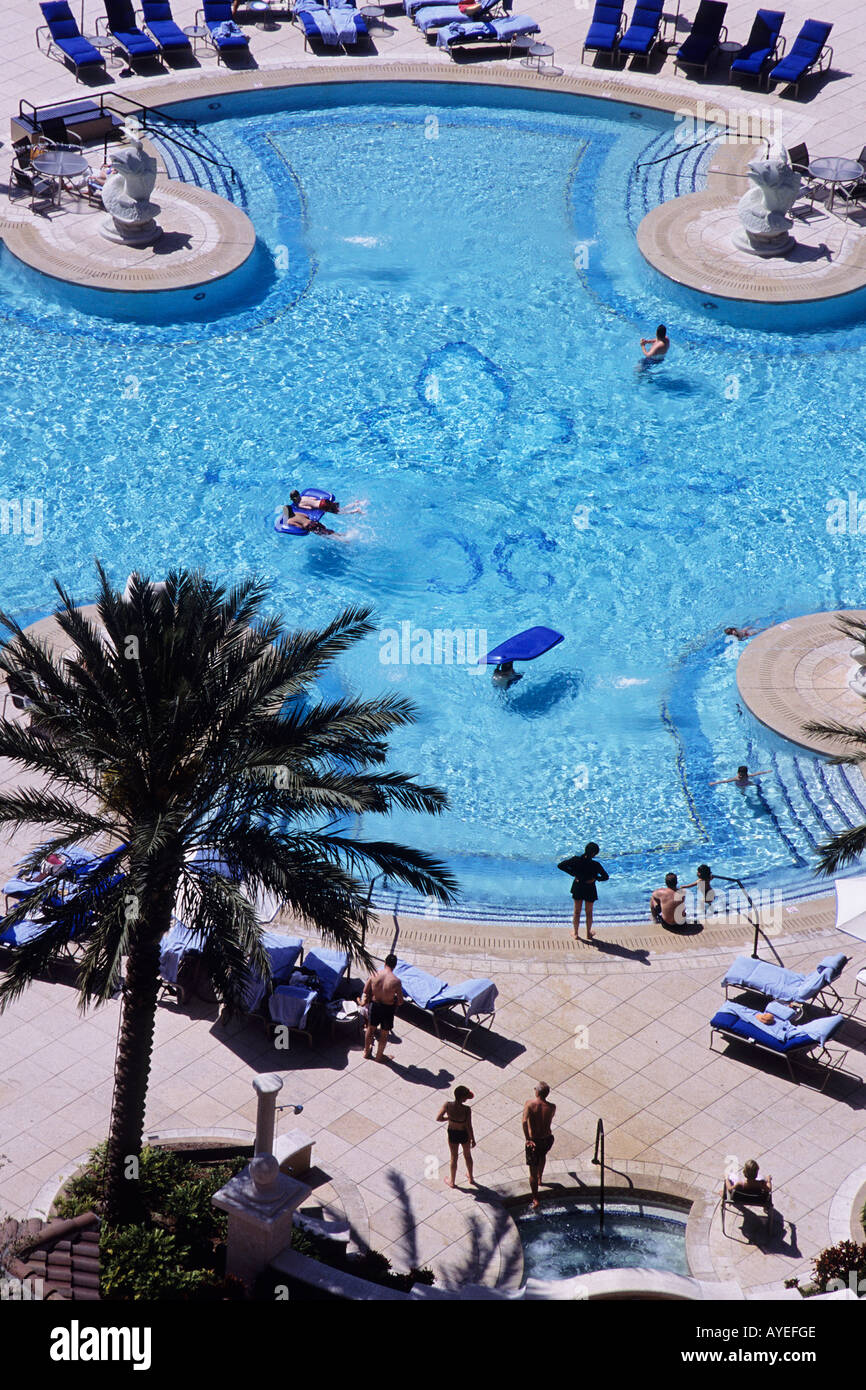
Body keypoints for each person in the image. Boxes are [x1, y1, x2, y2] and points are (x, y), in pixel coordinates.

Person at [557, 842, 608, 941]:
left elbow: (560, 865)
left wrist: (573, 873)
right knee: (589, 912)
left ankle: (575, 933)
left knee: (577, 912)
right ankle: (588, 934)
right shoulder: (595, 865)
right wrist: (596, 878)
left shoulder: (575, 860)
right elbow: (605, 877)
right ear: (594, 854)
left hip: (578, 886)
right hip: (590, 888)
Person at [361, 953, 404, 1062]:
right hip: (387, 1009)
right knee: (384, 1033)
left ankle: (366, 1052)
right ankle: (379, 1056)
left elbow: (365, 991)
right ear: (395, 966)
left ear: (385, 963)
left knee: (370, 1029)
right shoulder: (396, 981)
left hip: (375, 1005)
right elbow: (400, 1001)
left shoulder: (374, 974)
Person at [436, 1085, 476, 1188]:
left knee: (454, 1157)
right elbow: (469, 1126)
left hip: (452, 1133)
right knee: (467, 1156)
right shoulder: (466, 1110)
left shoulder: (448, 1105)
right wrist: (473, 1139)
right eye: (466, 1097)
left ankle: (452, 1181)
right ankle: (471, 1177)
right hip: (464, 1134)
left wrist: (449, 1118)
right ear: (462, 1098)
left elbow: (438, 1118)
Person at [523, 1083, 555, 1209]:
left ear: (537, 1092)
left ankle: (535, 1198)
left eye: (535, 1089)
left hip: (534, 1141)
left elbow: (524, 1121)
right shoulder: (552, 1107)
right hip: (547, 1139)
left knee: (532, 1171)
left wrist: (527, 1139)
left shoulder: (529, 1104)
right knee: (542, 1156)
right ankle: (540, 1179)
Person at [289, 490, 366, 515]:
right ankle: (356, 503)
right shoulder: (304, 497)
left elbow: (309, 508)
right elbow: (313, 498)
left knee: (339, 512)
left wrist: (312, 509)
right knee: (340, 508)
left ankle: (357, 510)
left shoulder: (300, 504)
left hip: (322, 506)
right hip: (323, 501)